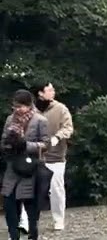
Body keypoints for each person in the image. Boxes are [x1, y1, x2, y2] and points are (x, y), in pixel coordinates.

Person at [2, 90, 51, 240]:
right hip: (13, 165)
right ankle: (13, 237)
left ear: (29, 105)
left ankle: (32, 237)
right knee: (9, 201)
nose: (17, 109)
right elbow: (3, 141)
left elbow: (46, 144)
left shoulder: (40, 120)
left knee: (30, 203)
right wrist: (9, 144)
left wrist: (26, 145)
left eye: (21, 106)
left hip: (31, 166)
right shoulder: (10, 120)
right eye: (15, 106)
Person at [30, 82, 72, 232]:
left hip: (55, 157)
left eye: (53, 89)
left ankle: (58, 220)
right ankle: (31, 220)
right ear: (40, 93)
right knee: (31, 189)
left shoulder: (60, 109)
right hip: (36, 156)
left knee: (56, 189)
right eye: (49, 90)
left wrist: (58, 137)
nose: (53, 92)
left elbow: (68, 128)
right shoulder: (32, 110)